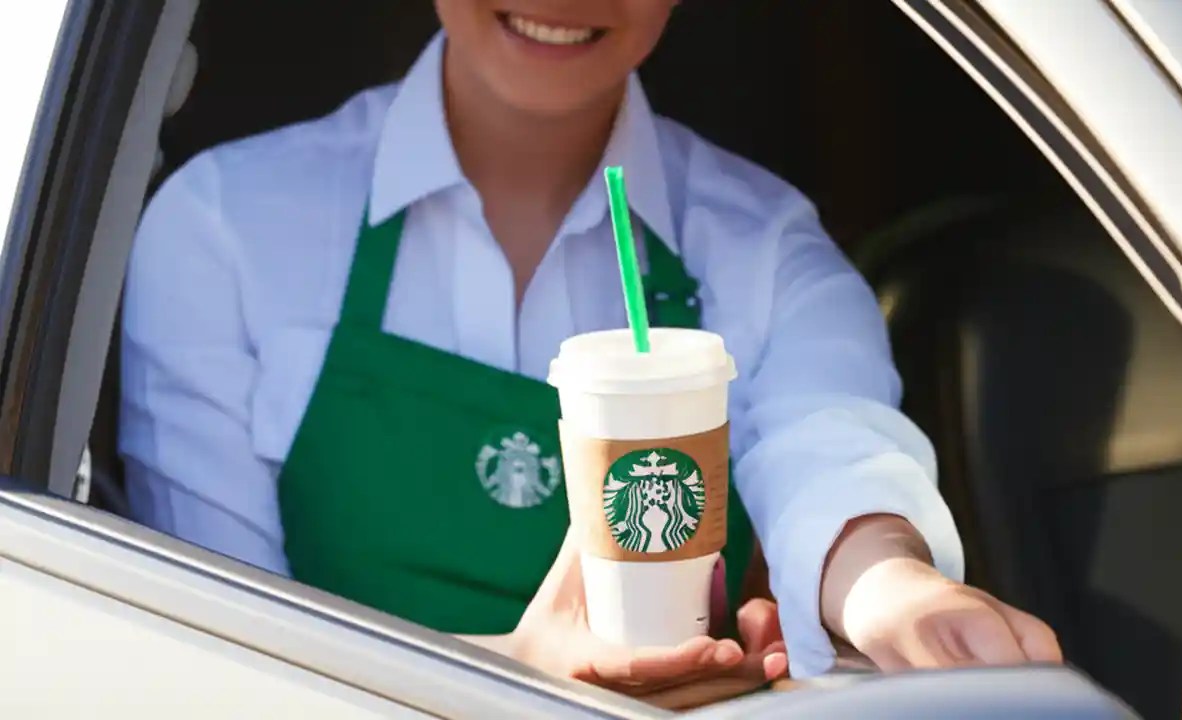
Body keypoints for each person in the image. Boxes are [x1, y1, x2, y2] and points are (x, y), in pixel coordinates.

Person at [119, 0, 1061, 706]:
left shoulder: (763, 246)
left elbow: (834, 454)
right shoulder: (223, 230)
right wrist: (516, 678)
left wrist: (899, 592)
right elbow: (217, 653)